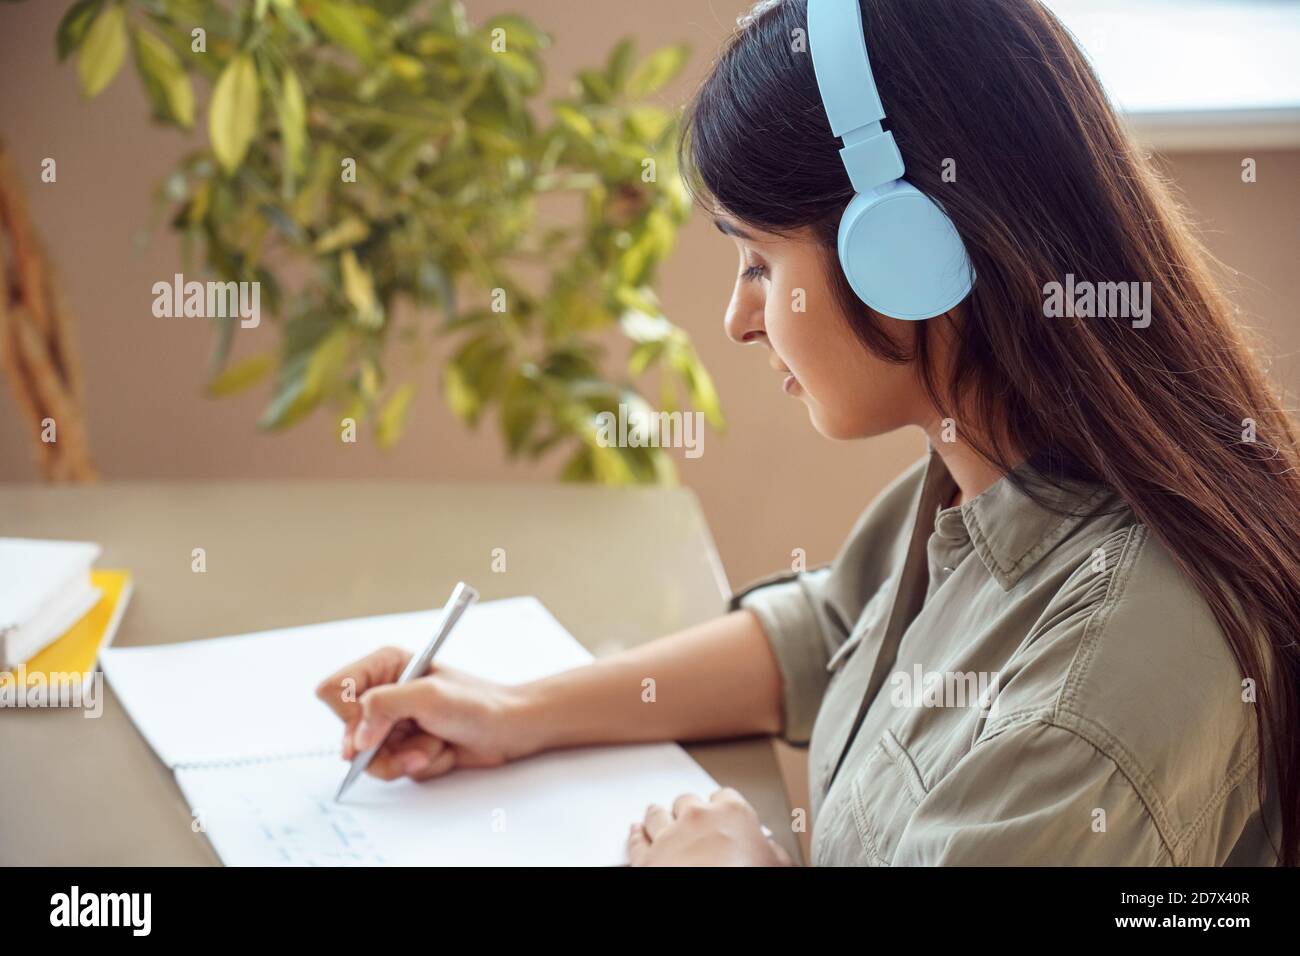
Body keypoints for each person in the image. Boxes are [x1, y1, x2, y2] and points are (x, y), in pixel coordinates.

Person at [316, 0, 1299, 866]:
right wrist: (519, 708)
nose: (738, 320)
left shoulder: (1092, 702)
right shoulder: (998, 475)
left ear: (902, 253)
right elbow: (833, 629)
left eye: (755, 261)